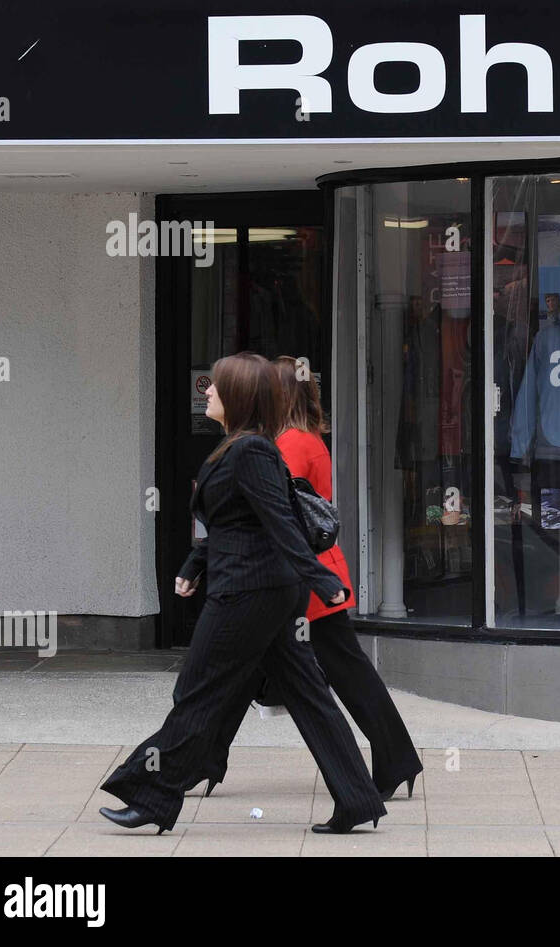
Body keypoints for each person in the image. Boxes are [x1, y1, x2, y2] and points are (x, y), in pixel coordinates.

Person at [99, 353, 384, 835]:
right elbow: (236, 523)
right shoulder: (239, 446)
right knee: (309, 695)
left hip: (251, 594)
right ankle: (357, 799)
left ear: (238, 396)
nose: (206, 390)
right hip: (262, 590)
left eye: (216, 385)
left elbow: (281, 523)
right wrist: (195, 563)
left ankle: (151, 793)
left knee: (196, 690)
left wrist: (321, 579)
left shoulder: (250, 451)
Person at [191, 356, 424, 802]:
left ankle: (393, 761)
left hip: (302, 583)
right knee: (248, 674)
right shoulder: (302, 437)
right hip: (308, 578)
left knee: (339, 676)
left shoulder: (290, 443)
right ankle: (203, 758)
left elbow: (275, 518)